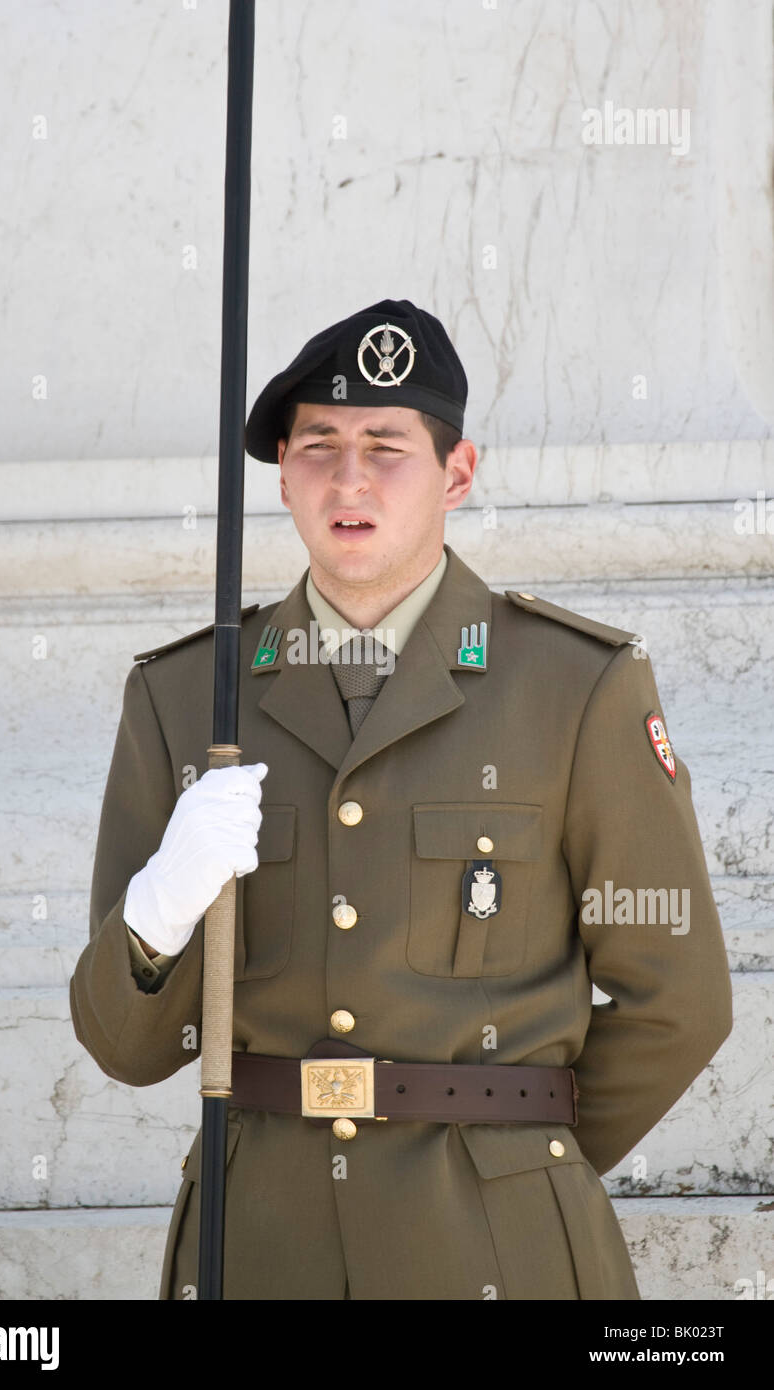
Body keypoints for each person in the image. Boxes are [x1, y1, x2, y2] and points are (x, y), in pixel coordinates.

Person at [70, 298, 732, 1300]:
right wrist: (160, 912)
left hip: (495, 1248)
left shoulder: (571, 686)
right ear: (283, 471)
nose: (348, 478)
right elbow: (123, 1048)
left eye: (386, 446)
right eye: (320, 445)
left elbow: (678, 997)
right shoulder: (184, 699)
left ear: (454, 474)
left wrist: (518, 1157)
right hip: (259, 1246)